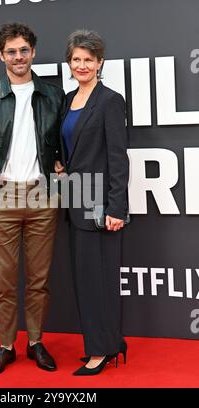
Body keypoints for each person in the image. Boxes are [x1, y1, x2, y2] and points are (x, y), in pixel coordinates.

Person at [0, 22, 64, 377]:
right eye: (11, 51)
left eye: (24, 50)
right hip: (0, 199)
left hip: (41, 198)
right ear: (1, 56)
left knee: (39, 280)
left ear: (32, 52)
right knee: (3, 282)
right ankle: (6, 345)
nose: (18, 57)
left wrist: (61, 167)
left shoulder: (53, 96)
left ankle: (35, 342)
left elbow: (64, 142)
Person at [55, 30, 129, 375]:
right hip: (76, 200)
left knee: (99, 278)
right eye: (76, 60)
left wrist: (117, 208)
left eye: (88, 59)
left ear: (100, 62)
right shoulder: (68, 98)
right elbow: (71, 149)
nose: (82, 65)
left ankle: (102, 349)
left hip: (101, 205)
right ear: (69, 63)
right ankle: (108, 341)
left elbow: (118, 157)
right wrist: (60, 165)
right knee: (85, 278)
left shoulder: (110, 100)